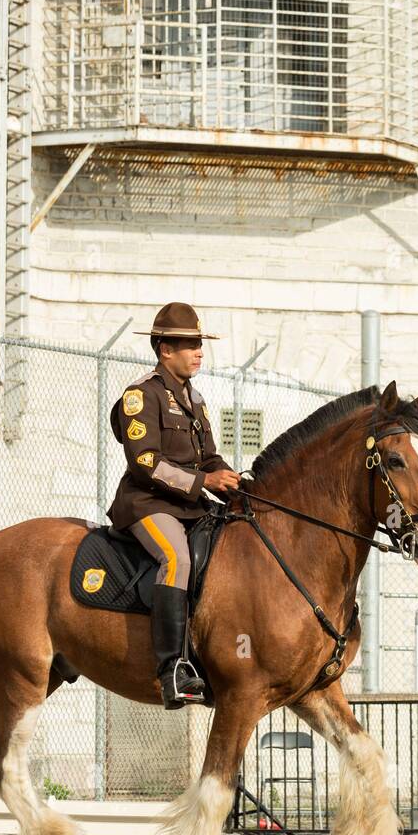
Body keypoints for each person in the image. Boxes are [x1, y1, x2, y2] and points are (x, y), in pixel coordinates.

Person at [107, 302, 241, 709]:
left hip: (190, 506)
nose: (199, 351)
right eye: (189, 344)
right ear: (165, 348)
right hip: (147, 503)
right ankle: (172, 670)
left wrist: (236, 483)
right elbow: (145, 461)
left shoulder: (195, 400)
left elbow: (209, 458)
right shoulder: (140, 395)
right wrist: (204, 482)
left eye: (200, 343)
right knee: (176, 558)